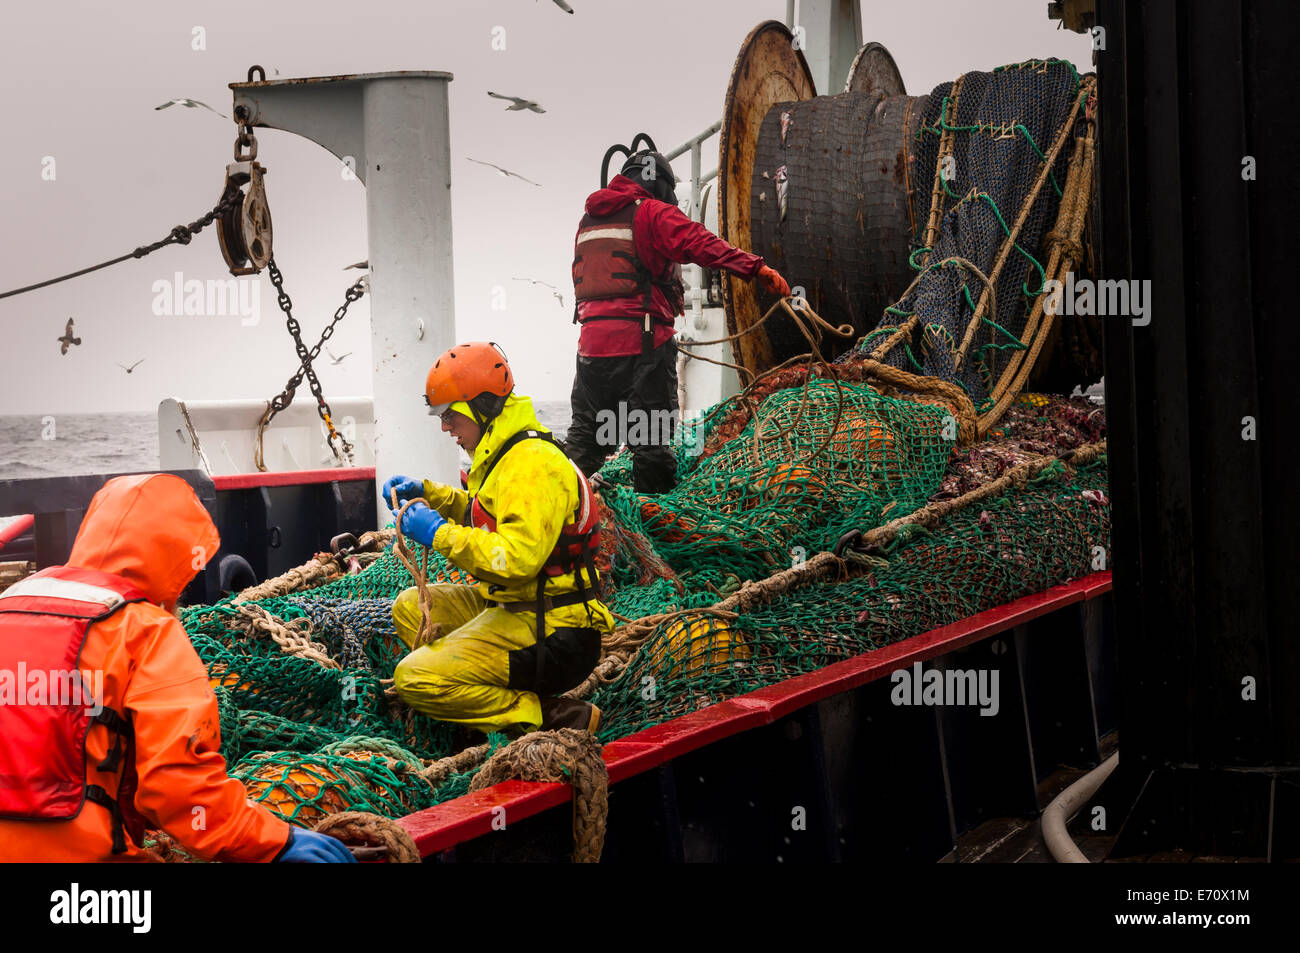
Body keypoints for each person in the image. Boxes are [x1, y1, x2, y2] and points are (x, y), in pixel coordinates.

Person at [0, 474, 354, 862]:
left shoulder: (10, 602)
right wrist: (276, 841)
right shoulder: (146, 631)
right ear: (172, 563)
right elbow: (177, 789)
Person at [384, 341, 612, 735]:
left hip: (555, 631)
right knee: (410, 607)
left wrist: (438, 533)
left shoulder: (531, 465)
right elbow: (485, 510)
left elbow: (516, 559)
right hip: (519, 606)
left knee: (414, 678)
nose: (444, 427)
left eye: (450, 416)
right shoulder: (506, 454)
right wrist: (430, 494)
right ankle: (484, 700)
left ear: (484, 406)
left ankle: (547, 717)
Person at [566, 149, 791, 492]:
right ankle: (654, 523)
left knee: (585, 442)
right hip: (641, 350)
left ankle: (561, 511)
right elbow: (698, 242)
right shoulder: (649, 213)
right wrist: (755, 267)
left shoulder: (588, 223)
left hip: (590, 355)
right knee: (651, 442)